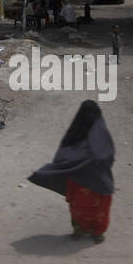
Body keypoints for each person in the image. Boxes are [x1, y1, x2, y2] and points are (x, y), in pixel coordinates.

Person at [28, 100, 115, 243]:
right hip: (100, 183)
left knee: (78, 209)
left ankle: (79, 231)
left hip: (78, 185)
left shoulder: (74, 132)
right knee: (100, 211)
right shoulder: (102, 135)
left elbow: (62, 156)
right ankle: (97, 233)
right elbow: (107, 156)